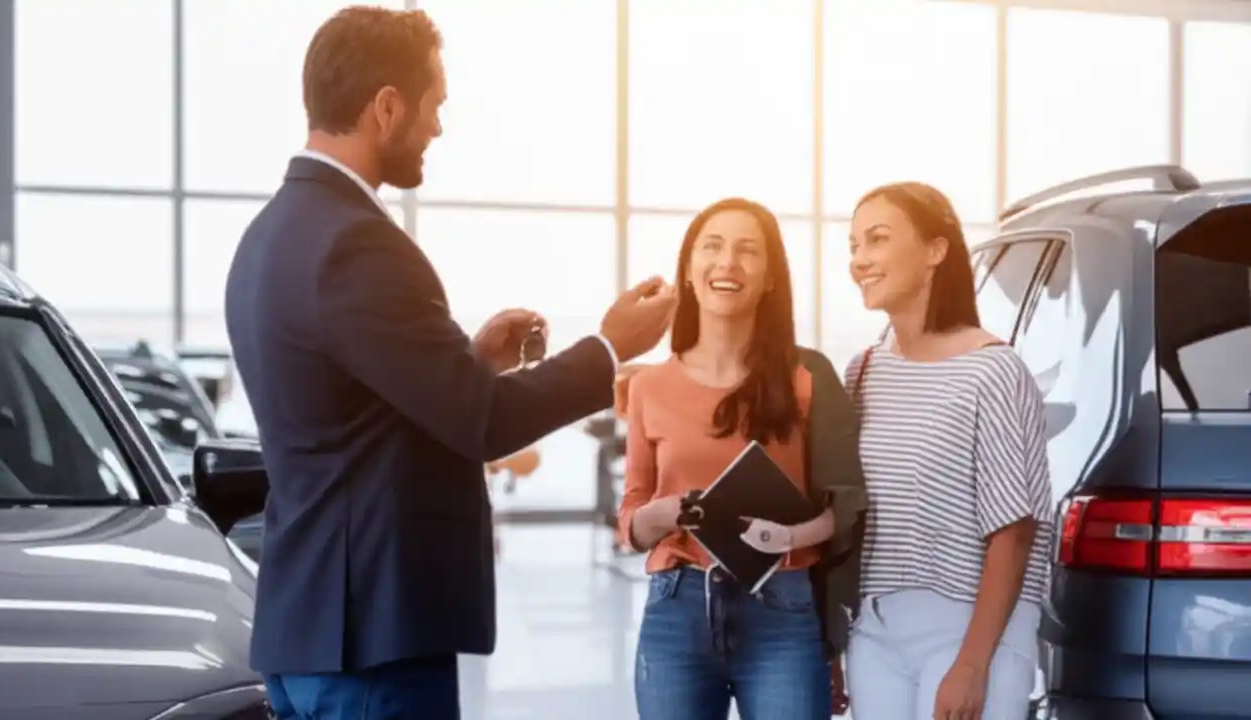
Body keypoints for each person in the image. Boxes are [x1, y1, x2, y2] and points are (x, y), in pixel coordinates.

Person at [223, 7, 677, 719]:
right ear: (387, 107)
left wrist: (468, 361)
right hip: (373, 641)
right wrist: (612, 345)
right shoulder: (359, 244)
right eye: (435, 105)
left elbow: (345, 414)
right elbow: (485, 422)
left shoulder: (269, 236)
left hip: (307, 633)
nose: (439, 126)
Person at [617, 197, 857, 720]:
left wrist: (791, 538)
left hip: (785, 609)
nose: (728, 262)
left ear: (770, 278)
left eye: (748, 250)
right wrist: (658, 516)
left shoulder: (806, 379)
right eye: (713, 246)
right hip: (675, 608)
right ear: (687, 270)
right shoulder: (648, 388)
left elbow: (846, 507)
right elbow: (631, 517)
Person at [840, 182, 1054, 720]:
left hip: (970, 630)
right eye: (853, 246)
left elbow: (1015, 529)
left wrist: (973, 665)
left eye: (877, 240)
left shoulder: (993, 370)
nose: (860, 260)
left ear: (936, 251)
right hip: (876, 632)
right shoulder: (862, 372)